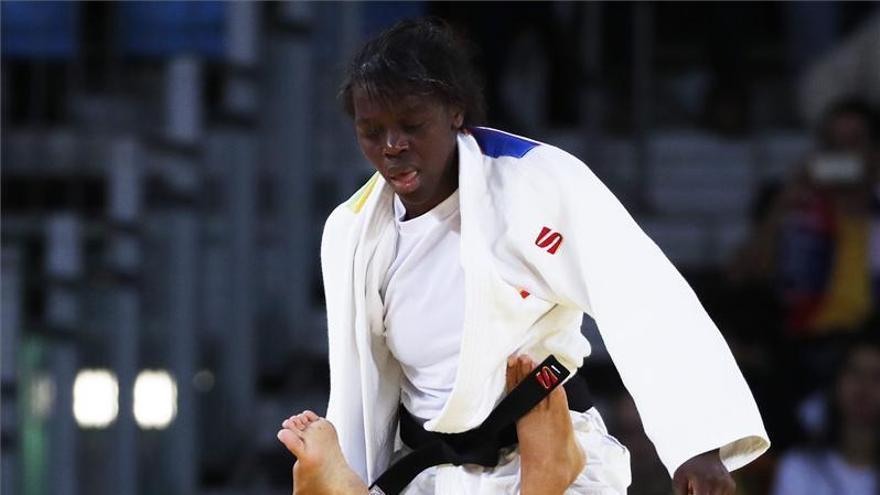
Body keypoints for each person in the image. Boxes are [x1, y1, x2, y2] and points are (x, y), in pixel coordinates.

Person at [276, 18, 769, 495]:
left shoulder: (534, 182)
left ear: (455, 111)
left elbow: (641, 297)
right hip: (433, 472)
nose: (392, 146)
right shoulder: (352, 229)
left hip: (548, 437)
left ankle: (548, 467)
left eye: (411, 124)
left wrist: (698, 441)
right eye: (371, 130)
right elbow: (360, 388)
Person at [771, 328, 880, 495]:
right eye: (855, 372)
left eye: (876, 376)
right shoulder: (799, 466)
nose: (864, 386)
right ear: (836, 382)